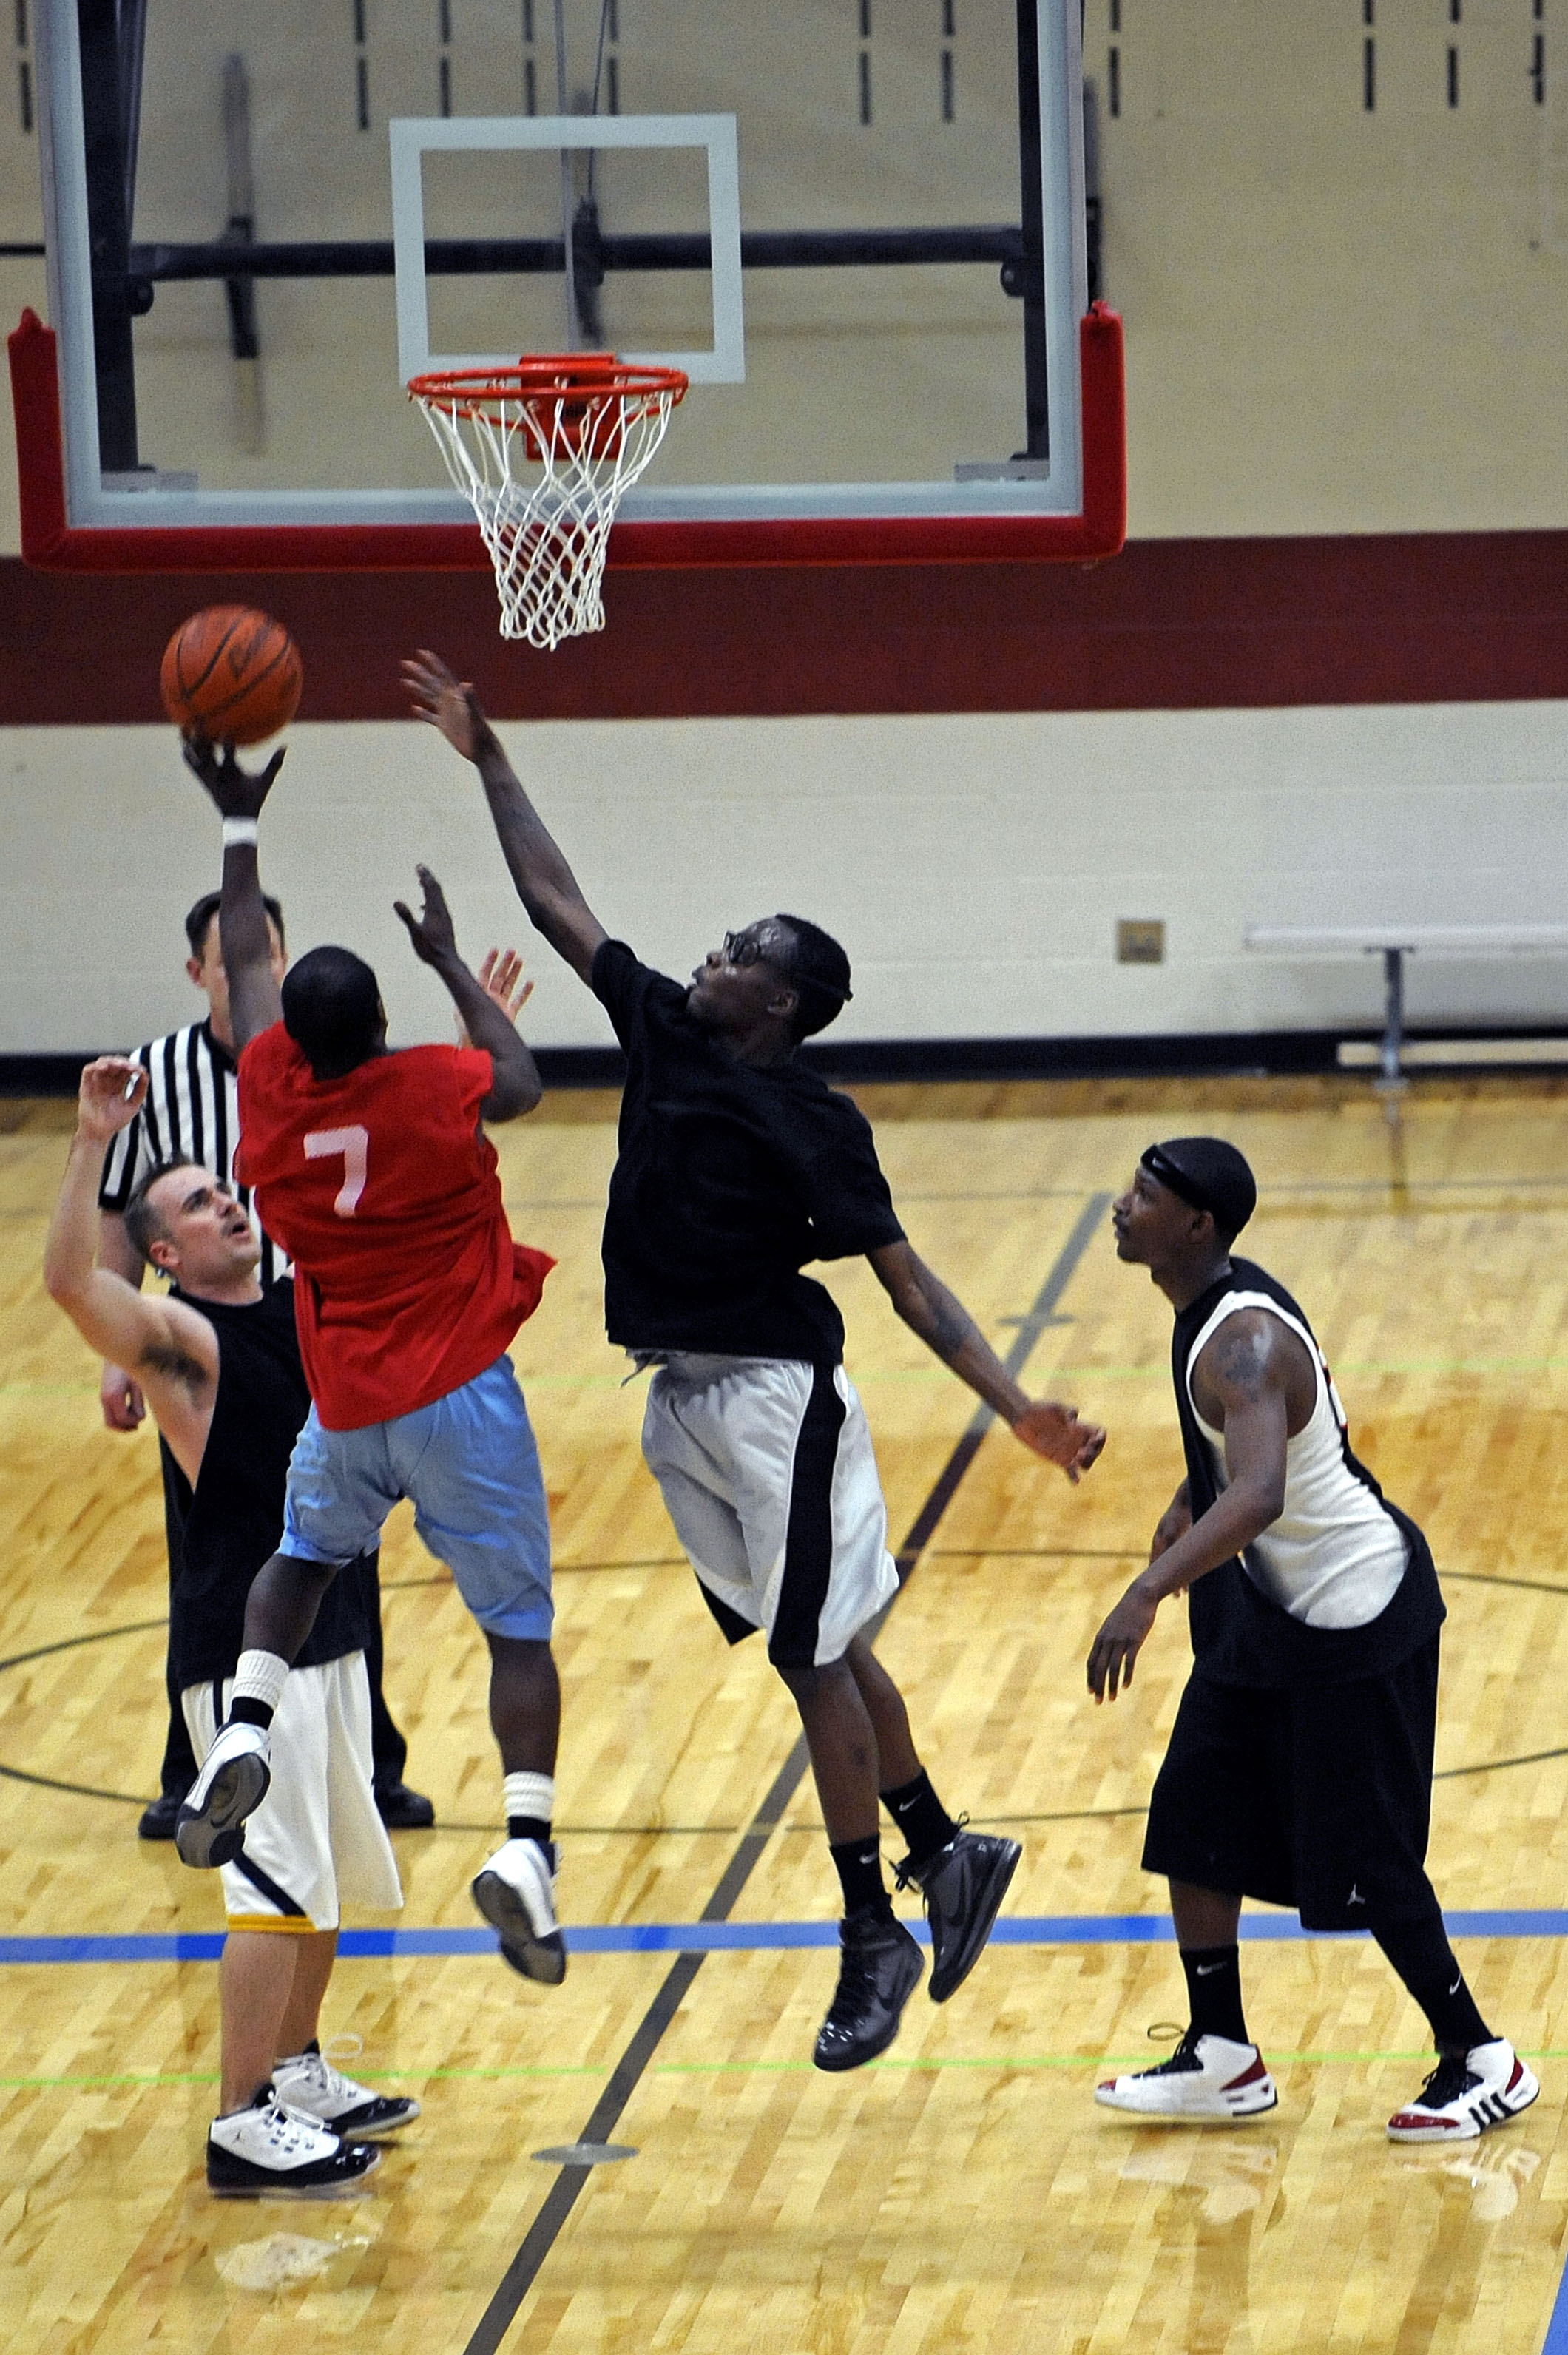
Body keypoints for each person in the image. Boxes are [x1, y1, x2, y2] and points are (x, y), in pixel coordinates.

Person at [402, 649, 1107, 2072]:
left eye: (739, 950)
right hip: (679, 1394)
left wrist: (1016, 1406)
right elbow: (557, 897)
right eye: (719, 942)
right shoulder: (664, 1027)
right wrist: (488, 755)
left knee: (809, 1654)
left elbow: (909, 1285)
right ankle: (946, 1851)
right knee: (829, 1648)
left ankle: (873, 1929)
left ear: (779, 1003)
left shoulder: (816, 1119)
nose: (709, 952)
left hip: (781, 1390)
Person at [172, 740, 569, 1990]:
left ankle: (243, 1722)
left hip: (345, 1398)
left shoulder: (269, 1094)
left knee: (294, 1562)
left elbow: (243, 960)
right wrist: (452, 955)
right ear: (386, 1027)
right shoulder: (430, 1088)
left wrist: (239, 820)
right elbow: (521, 1079)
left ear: (287, 1033)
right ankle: (526, 1842)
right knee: (517, 1630)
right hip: (460, 1392)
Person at [1088, 1136, 1537, 2143]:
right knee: (1196, 1808)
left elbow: (1260, 1488)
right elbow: (1247, 1449)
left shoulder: (1238, 1340)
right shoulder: (1212, 1307)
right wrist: (1180, 1506)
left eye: (1143, 1197)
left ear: (1197, 1226)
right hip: (1269, 1613)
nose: (1120, 1208)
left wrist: (1149, 1588)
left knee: (1368, 1853)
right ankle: (1220, 2055)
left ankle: (1481, 2055)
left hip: (1350, 1617)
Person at [47, 1058, 418, 2194]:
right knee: (272, 1889)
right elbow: (71, 1287)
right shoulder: (186, 1347)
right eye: (200, 1204)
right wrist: (88, 1148)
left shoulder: (298, 1308)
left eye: (225, 1191)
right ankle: (238, 2121)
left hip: (336, 1630)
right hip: (247, 1658)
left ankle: (297, 2070)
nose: (226, 1206)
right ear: (165, 1252)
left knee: (329, 1880)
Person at [96, 888, 433, 1839]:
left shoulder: (314, 1056)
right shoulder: (156, 1071)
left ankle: (370, 1757)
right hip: (203, 1340)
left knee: (348, 1548)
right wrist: (117, 1357)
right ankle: (192, 1762)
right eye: (239, 953)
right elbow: (122, 1214)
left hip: (308, 1324)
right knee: (208, 1555)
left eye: (271, 951)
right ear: (197, 969)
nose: (257, 967)